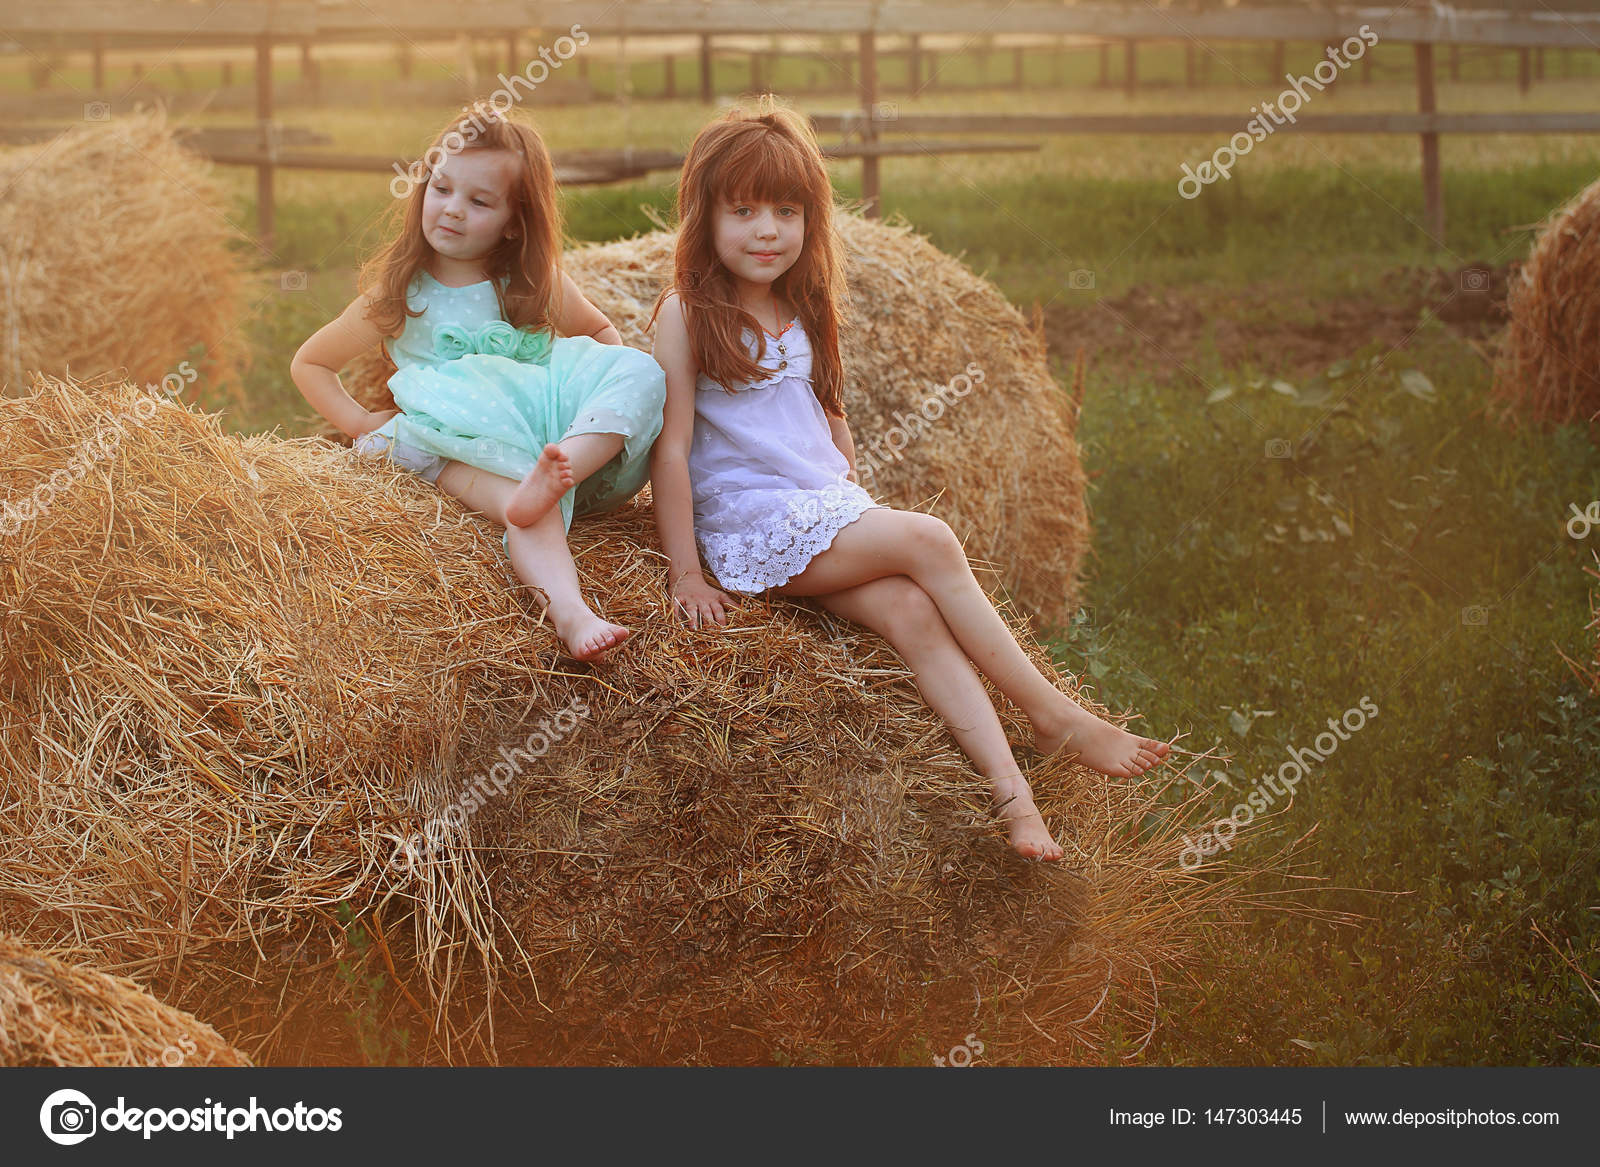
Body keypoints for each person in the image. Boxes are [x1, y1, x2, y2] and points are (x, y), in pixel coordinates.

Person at [648, 101, 1169, 860]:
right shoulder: (686, 313)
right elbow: (671, 449)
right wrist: (684, 574)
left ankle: (1016, 804)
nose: (767, 230)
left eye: (786, 211)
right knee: (930, 537)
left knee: (912, 610)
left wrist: (851, 501)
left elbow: (830, 415)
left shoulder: (805, 302)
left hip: (819, 513)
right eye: (744, 210)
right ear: (705, 216)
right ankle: (1051, 715)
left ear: (810, 220)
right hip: (750, 528)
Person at [291, 102, 665, 661]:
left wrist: (597, 396)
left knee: (643, 369)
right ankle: (572, 612)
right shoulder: (399, 293)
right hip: (459, 442)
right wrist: (359, 422)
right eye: (441, 190)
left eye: (479, 201)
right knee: (523, 504)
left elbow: (601, 332)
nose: (452, 210)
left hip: (550, 437)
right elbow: (311, 363)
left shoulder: (531, 278)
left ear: (515, 219)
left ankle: (564, 469)